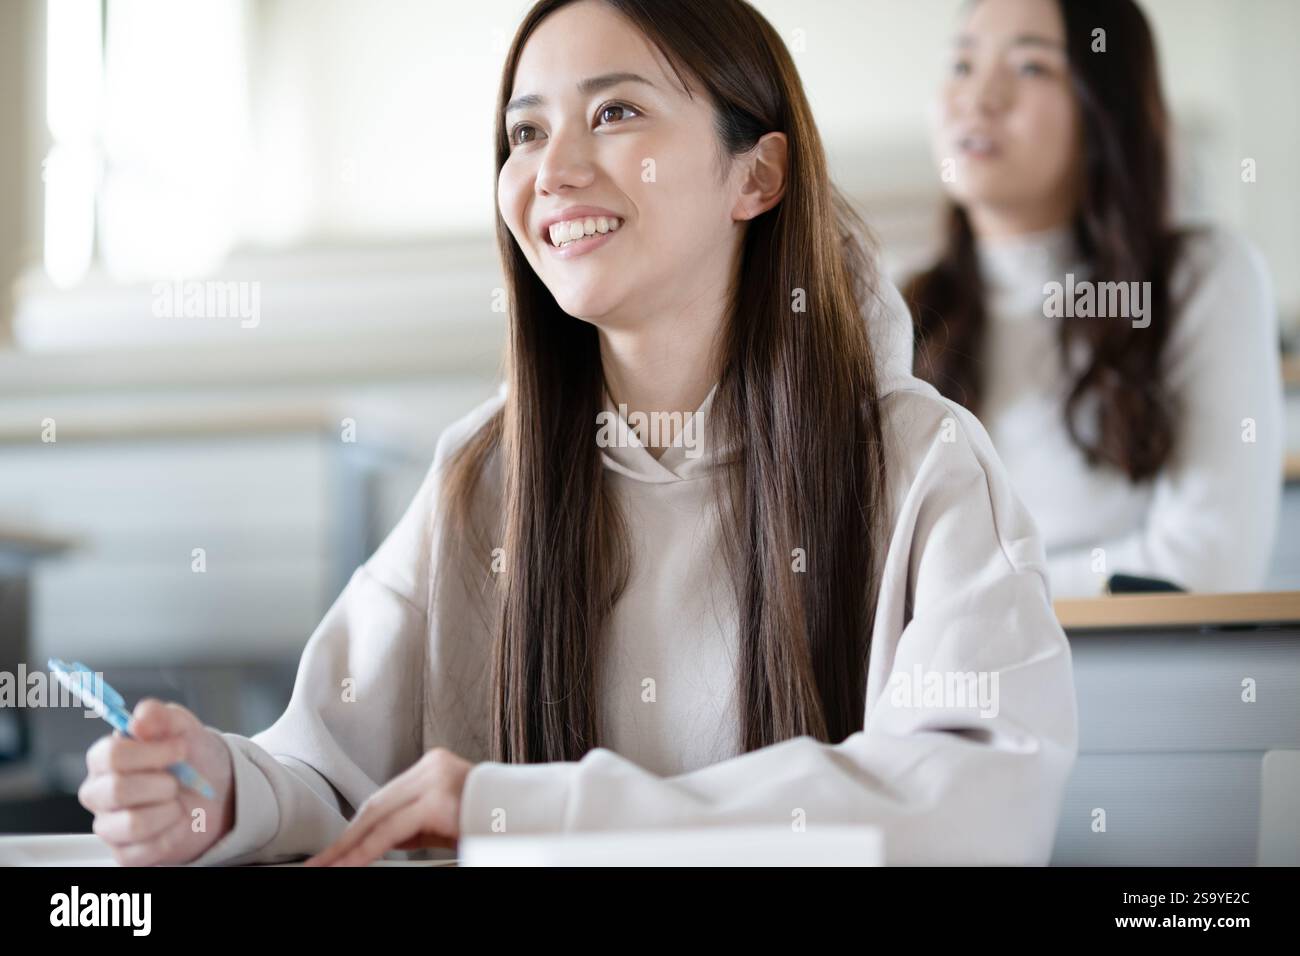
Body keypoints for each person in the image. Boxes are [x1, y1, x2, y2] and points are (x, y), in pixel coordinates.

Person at [78, 0, 1076, 867]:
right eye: (522, 133)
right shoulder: (483, 476)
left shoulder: (923, 461)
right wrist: (221, 790)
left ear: (756, 176)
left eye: (615, 112)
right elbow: (330, 772)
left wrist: (524, 813)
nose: (550, 170)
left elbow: (978, 809)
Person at [905, 0, 1284, 597]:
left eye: (1031, 68)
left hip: (1130, 681)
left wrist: (966, 598)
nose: (979, 98)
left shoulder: (1199, 277)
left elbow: (1206, 563)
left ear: (1105, 110)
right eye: (962, 64)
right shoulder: (903, 311)